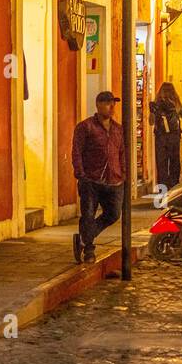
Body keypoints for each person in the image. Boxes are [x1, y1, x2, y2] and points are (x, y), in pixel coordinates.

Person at [71, 90, 126, 264]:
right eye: (108, 103)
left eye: (113, 103)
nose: (111, 107)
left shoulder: (118, 129)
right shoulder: (85, 127)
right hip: (91, 180)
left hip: (114, 180)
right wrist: (81, 174)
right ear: (98, 105)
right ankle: (89, 249)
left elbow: (122, 152)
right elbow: (77, 151)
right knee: (88, 214)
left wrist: (124, 173)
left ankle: (84, 237)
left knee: (114, 213)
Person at [149, 82, 182, 190]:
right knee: (175, 163)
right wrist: (176, 111)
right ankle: (174, 189)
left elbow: (151, 122)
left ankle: (162, 191)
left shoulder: (157, 103)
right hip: (174, 137)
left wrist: (152, 112)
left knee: (161, 165)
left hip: (160, 137)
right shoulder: (175, 102)